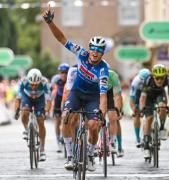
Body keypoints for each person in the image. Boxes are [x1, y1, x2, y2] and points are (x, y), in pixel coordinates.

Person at [43, 6, 109, 171]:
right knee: (66, 117)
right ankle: (71, 156)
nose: (95, 52)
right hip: (77, 93)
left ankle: (91, 154)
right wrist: (50, 22)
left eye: (99, 50)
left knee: (94, 126)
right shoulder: (82, 54)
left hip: (93, 98)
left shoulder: (103, 69)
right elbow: (62, 39)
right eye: (93, 48)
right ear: (89, 49)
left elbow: (103, 96)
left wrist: (102, 114)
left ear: (102, 53)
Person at [14, 68, 52, 161]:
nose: (34, 86)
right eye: (32, 84)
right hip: (27, 97)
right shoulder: (23, 81)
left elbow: (49, 100)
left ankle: (42, 150)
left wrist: (45, 111)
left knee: (41, 121)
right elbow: (18, 99)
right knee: (25, 111)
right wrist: (17, 110)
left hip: (40, 99)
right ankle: (27, 130)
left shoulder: (44, 82)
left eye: (36, 84)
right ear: (28, 80)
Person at [139, 64, 169, 158]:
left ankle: (162, 128)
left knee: (163, 107)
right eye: (157, 78)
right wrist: (142, 109)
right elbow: (142, 97)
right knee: (149, 118)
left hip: (160, 94)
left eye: (162, 78)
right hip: (148, 97)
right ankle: (146, 145)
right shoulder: (148, 79)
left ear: (165, 77)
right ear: (153, 76)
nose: (159, 80)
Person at [129, 68, 151, 148]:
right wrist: (134, 109)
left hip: (149, 96)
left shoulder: (152, 80)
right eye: (143, 80)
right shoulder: (136, 82)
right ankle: (138, 138)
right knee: (136, 114)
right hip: (138, 96)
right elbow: (132, 98)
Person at [51, 63, 69, 152]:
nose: (64, 74)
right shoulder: (56, 80)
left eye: (66, 72)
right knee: (57, 122)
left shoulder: (70, 79)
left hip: (67, 100)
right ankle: (58, 142)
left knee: (67, 120)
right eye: (62, 72)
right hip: (58, 101)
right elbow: (52, 92)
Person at [107, 69, 124, 157]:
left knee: (114, 118)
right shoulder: (94, 73)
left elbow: (118, 96)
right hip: (97, 94)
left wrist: (118, 110)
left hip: (110, 95)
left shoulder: (113, 75)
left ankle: (116, 144)